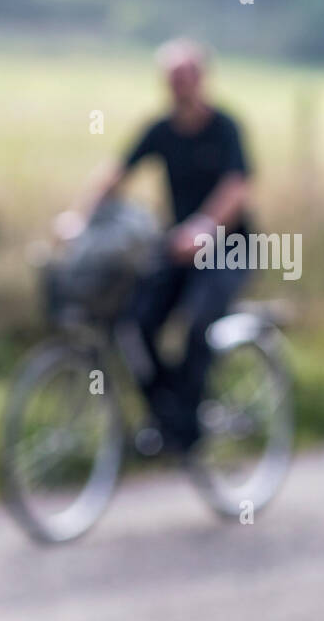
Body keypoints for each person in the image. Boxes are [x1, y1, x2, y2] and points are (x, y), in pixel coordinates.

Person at [55, 39, 252, 455]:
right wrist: (81, 217)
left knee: (199, 323)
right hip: (177, 246)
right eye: (172, 78)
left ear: (202, 79)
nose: (179, 85)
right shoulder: (160, 130)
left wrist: (204, 227)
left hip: (229, 246)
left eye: (186, 76)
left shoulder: (225, 128)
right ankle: (167, 415)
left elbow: (237, 186)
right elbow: (116, 172)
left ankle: (191, 427)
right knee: (136, 322)